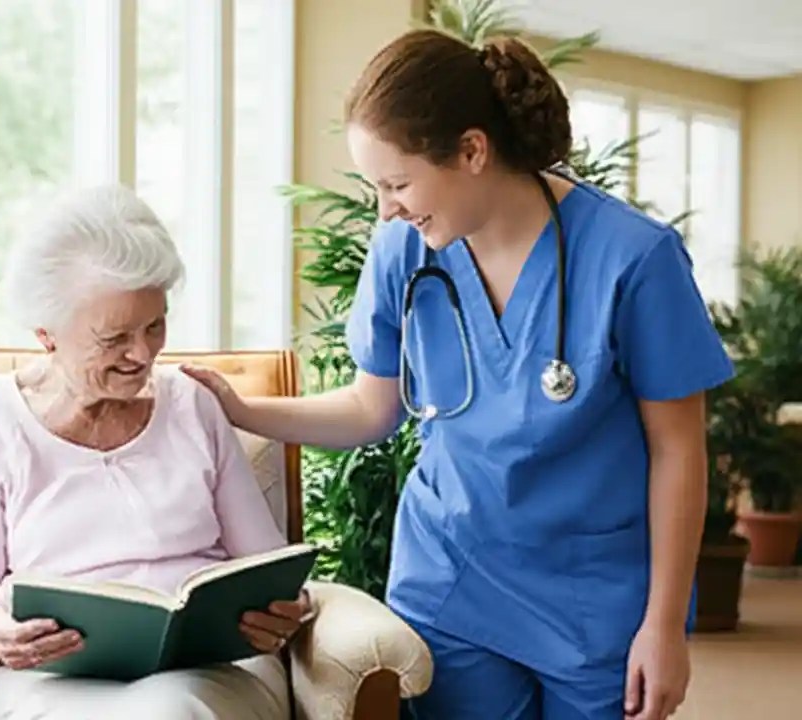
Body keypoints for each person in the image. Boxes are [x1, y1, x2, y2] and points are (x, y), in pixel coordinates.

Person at [183, 29, 733, 720]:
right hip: (452, 582)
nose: (386, 208)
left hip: (593, 596)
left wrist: (663, 624)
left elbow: (678, 450)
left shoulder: (634, 257)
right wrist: (242, 409)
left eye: (397, 183)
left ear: (473, 151)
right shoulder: (402, 251)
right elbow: (370, 409)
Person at [0, 185, 312, 720]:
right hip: (45, 678)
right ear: (46, 334)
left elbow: (270, 571)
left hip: (204, 673)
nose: (142, 353)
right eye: (114, 337)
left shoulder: (194, 405)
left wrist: (284, 611)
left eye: (155, 325)